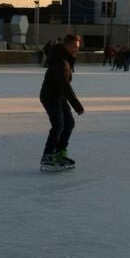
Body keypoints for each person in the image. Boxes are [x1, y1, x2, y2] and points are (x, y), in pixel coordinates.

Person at [39, 33, 84, 171]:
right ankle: (47, 155)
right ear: (67, 45)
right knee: (58, 125)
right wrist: (77, 105)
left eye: (78, 47)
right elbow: (65, 85)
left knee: (69, 123)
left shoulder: (65, 57)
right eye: (75, 46)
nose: (77, 49)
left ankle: (59, 152)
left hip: (59, 95)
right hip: (50, 96)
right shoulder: (61, 61)